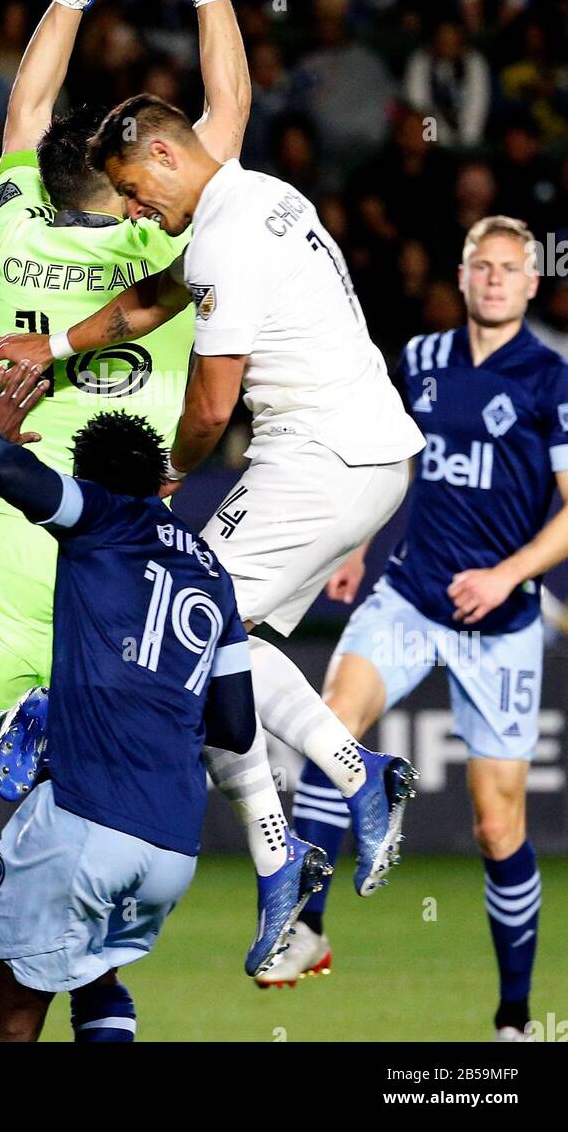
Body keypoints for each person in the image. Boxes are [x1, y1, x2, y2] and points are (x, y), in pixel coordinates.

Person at [0, 91, 424, 983]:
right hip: (359, 459)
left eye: (137, 191)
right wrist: (53, 345)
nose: (137, 211)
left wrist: (167, 482)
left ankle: (339, 793)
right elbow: (152, 299)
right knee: (218, 645)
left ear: (169, 156)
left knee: (178, 631)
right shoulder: (258, 199)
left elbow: (211, 408)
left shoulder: (223, 234)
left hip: (320, 462)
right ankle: (310, 827)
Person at [0, 0, 247, 789]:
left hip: (10, 536)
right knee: (113, 789)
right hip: (119, 553)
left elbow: (25, 108)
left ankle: (0, 729)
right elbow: (229, 114)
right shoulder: (168, 236)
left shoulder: (12, 230)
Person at [277, 217, 568, 1042]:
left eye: (511, 269)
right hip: (409, 595)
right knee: (331, 725)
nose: (496, 279)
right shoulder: (423, 360)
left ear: (531, 283)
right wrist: (361, 542)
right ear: (464, 271)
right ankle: (307, 927)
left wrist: (508, 574)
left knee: (496, 825)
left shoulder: (551, 379)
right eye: (483, 265)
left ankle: (514, 1017)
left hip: (500, 621)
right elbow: (396, 460)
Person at [0, 361, 302, 1042]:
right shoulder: (212, 572)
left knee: (13, 1012)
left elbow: (19, 478)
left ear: (89, 476)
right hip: (172, 845)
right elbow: (234, 728)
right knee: (93, 974)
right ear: (159, 480)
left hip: (89, 820)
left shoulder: (102, 514)